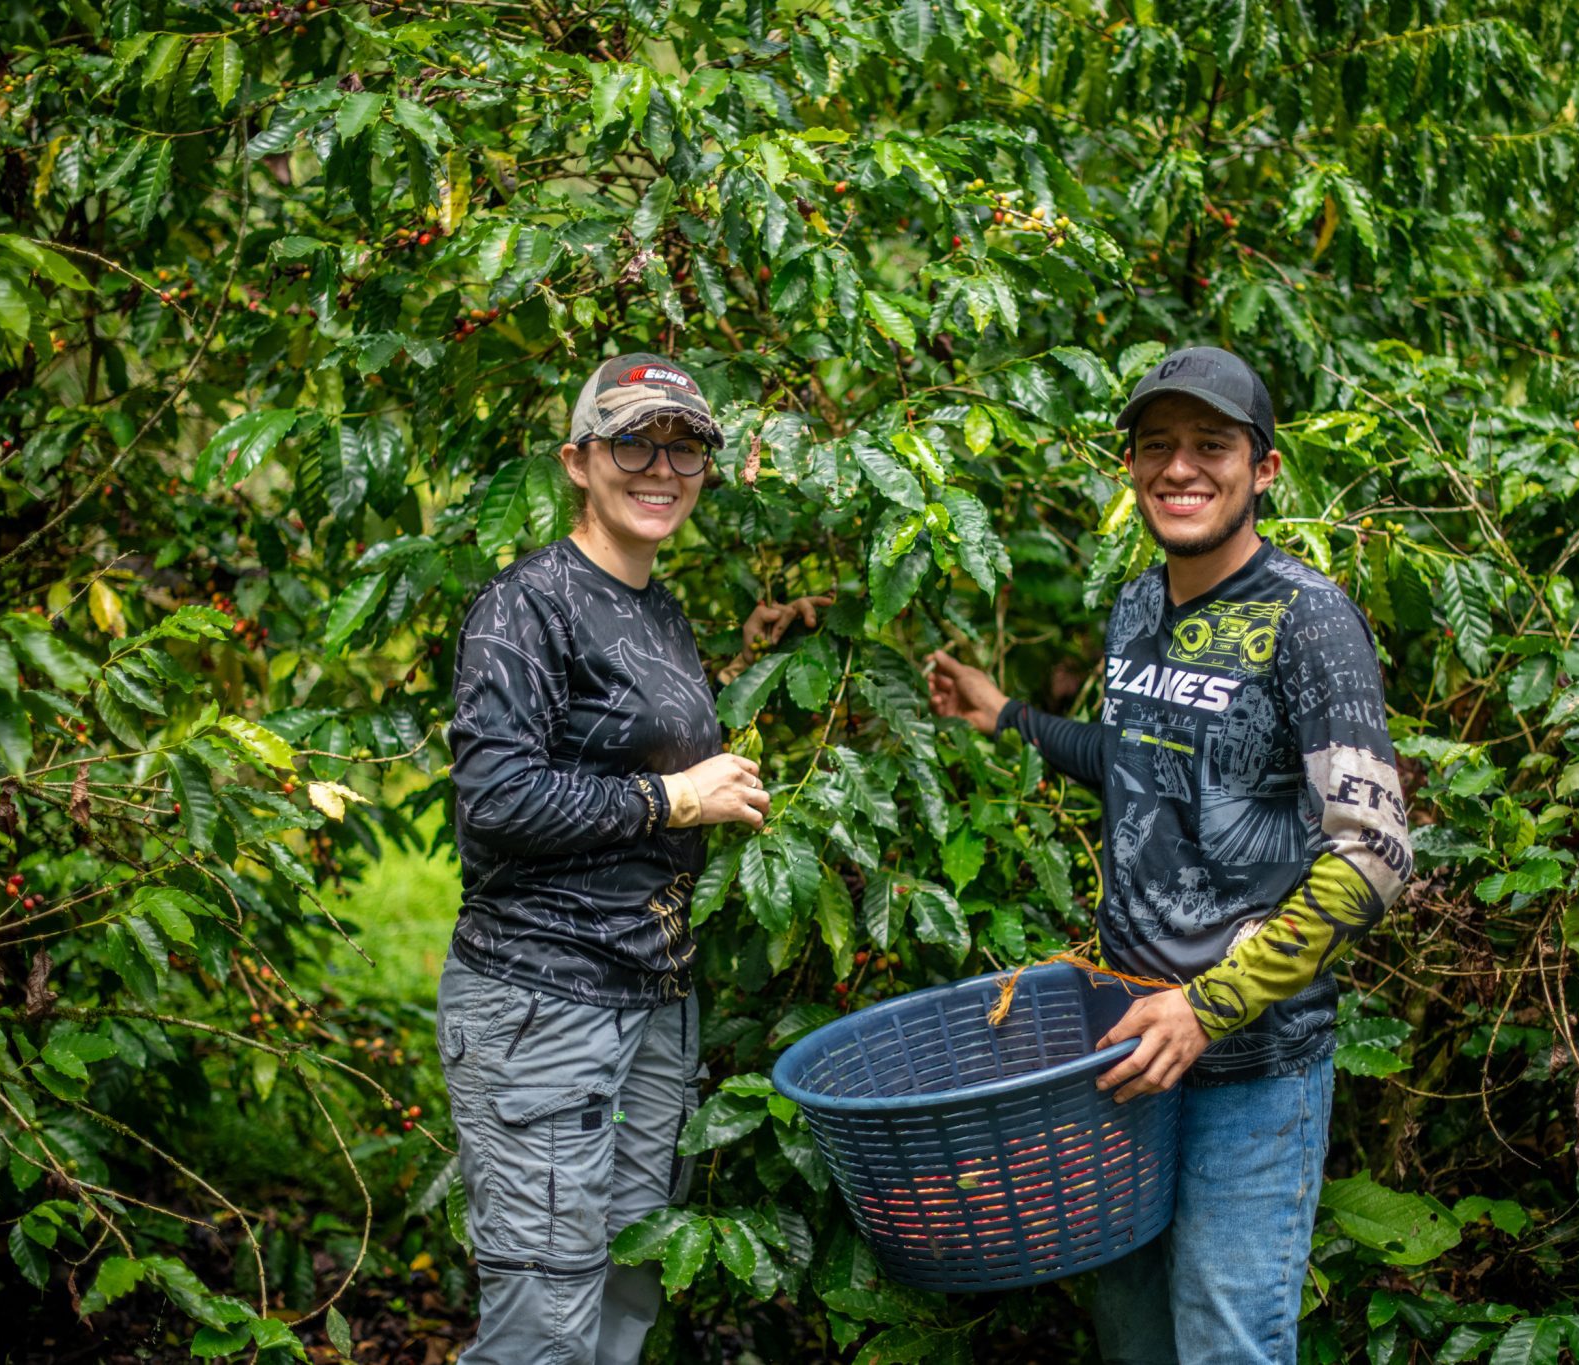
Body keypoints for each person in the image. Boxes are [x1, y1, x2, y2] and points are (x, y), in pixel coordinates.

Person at [926, 346, 1413, 1365]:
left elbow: (1372, 854)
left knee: (1228, 1346)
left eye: (1209, 445)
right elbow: (1140, 762)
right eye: (1156, 446)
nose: (1179, 467)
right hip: (1123, 1056)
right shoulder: (1139, 604)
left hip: (1251, 1065)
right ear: (1132, 468)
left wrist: (1206, 1007)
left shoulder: (1308, 619)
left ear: (1262, 468)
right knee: (1134, 1341)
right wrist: (1007, 716)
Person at [438, 352, 829, 1365]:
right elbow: (496, 799)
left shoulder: (656, 607)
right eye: (632, 444)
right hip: (542, 996)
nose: (661, 468)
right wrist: (677, 798)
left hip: (652, 995)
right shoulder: (526, 605)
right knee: (544, 1320)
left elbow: (622, 738)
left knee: (624, 1292)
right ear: (578, 461)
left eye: (684, 448)